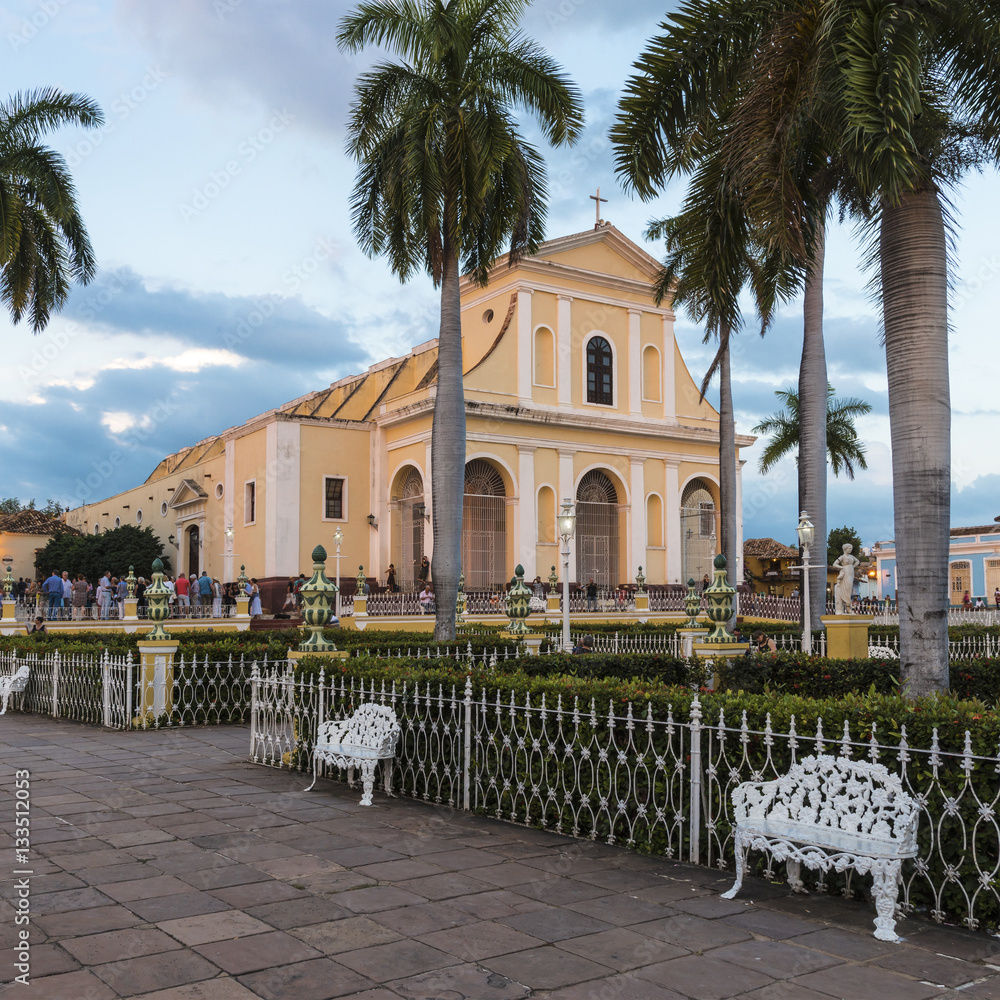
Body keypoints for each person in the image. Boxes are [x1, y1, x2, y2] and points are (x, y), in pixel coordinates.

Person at [831, 544, 860, 614]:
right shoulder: (842, 557)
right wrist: (842, 567)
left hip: (851, 572)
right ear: (845, 549)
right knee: (846, 588)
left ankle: (848, 606)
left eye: (851, 548)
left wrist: (852, 566)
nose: (851, 550)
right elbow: (834, 564)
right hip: (845, 572)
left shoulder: (852, 556)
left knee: (849, 589)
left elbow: (857, 561)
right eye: (849, 548)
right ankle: (847, 607)